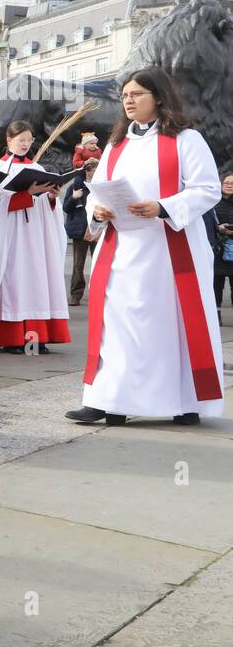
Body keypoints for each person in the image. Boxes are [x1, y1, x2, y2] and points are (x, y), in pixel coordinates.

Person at [68, 67, 223, 426]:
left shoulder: (186, 140)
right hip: (122, 249)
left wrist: (162, 206)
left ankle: (183, 401)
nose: (128, 100)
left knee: (173, 324)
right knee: (116, 324)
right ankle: (107, 399)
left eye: (137, 93)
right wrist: (99, 210)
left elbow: (207, 189)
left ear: (160, 97)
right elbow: (97, 191)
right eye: (125, 95)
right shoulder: (115, 145)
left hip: (171, 249)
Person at [0, 121, 71, 354]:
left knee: (37, 282)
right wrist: (27, 195)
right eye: (20, 139)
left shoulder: (38, 168)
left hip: (35, 236)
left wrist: (52, 196)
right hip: (11, 238)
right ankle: (14, 339)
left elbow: (46, 207)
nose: (25, 144)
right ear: (8, 140)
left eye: (29, 140)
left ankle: (38, 338)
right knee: (15, 283)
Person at [63, 157, 99, 306]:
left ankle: (98, 294)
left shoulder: (100, 185)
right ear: (87, 171)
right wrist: (73, 197)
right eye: (93, 170)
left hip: (97, 228)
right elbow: (66, 207)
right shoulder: (75, 187)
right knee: (78, 264)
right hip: (80, 229)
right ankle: (76, 295)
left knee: (98, 264)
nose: (96, 173)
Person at [213, 173, 233, 322]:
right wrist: (218, 228)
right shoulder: (212, 201)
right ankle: (216, 317)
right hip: (217, 251)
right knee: (216, 286)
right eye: (226, 182)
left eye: (232, 183)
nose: (229, 185)